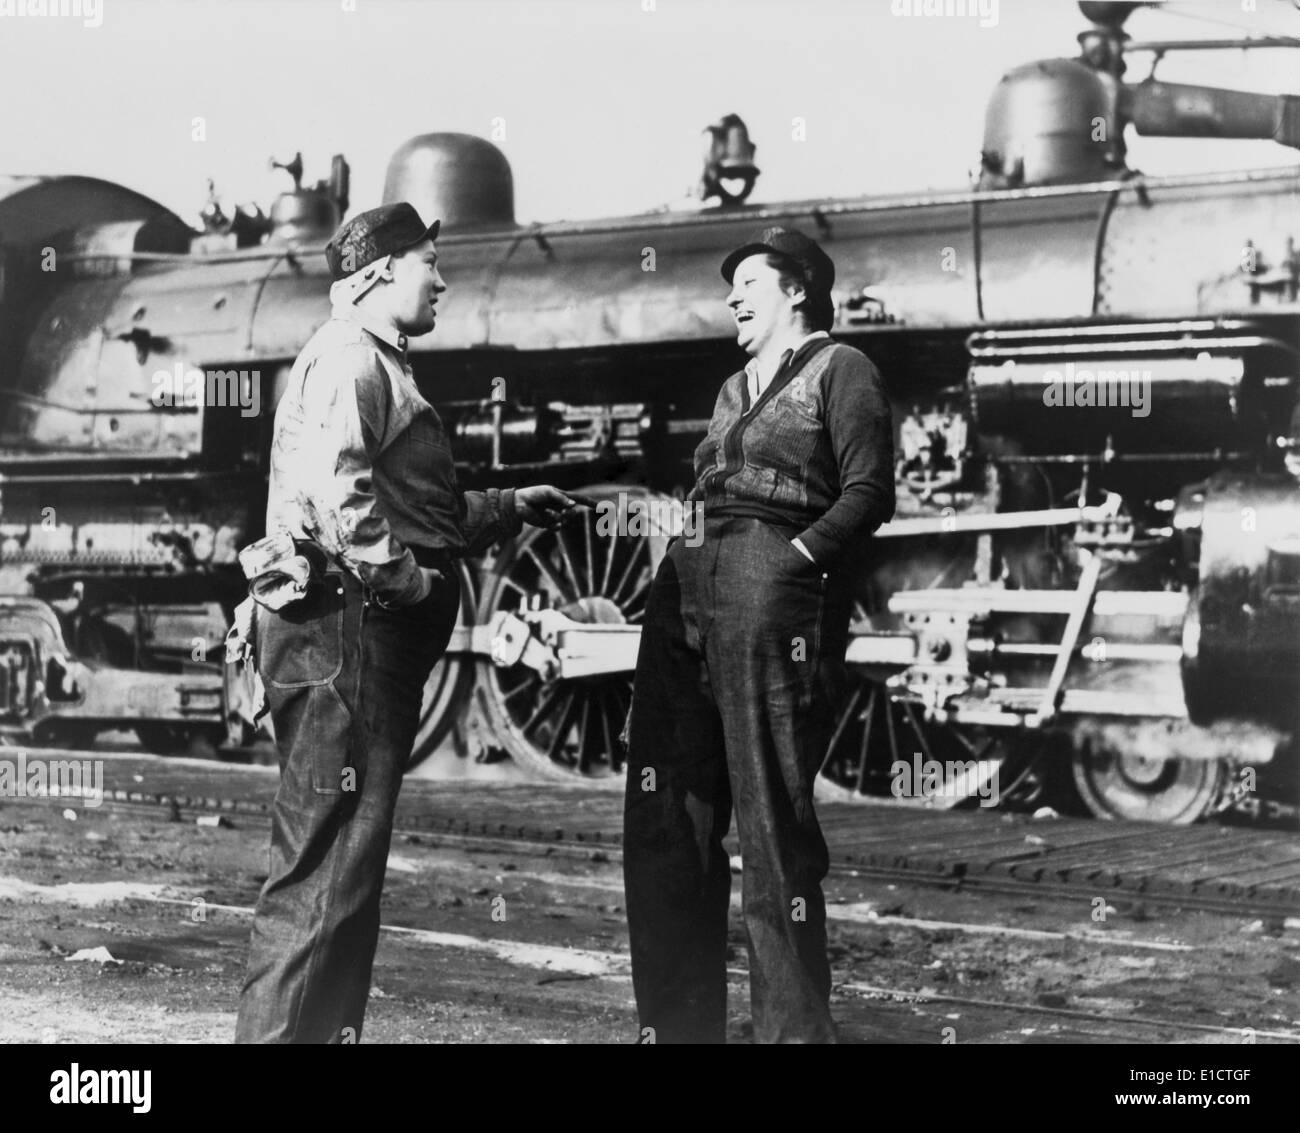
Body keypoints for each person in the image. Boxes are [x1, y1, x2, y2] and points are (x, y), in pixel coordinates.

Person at [235, 202, 574, 1043]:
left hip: (343, 638)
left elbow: (410, 503)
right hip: (346, 634)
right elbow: (344, 504)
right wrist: (415, 586)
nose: (444, 278)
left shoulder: (377, 363)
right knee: (324, 872)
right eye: (431, 261)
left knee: (344, 873)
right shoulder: (354, 361)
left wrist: (504, 507)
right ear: (382, 270)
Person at [623, 226, 895, 1044]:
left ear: (798, 288)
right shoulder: (735, 384)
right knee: (669, 814)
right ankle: (680, 1029)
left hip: (769, 587)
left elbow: (869, 492)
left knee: (772, 822)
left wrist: (796, 558)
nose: (733, 297)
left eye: (748, 282)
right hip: (689, 584)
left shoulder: (843, 369)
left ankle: (794, 1033)